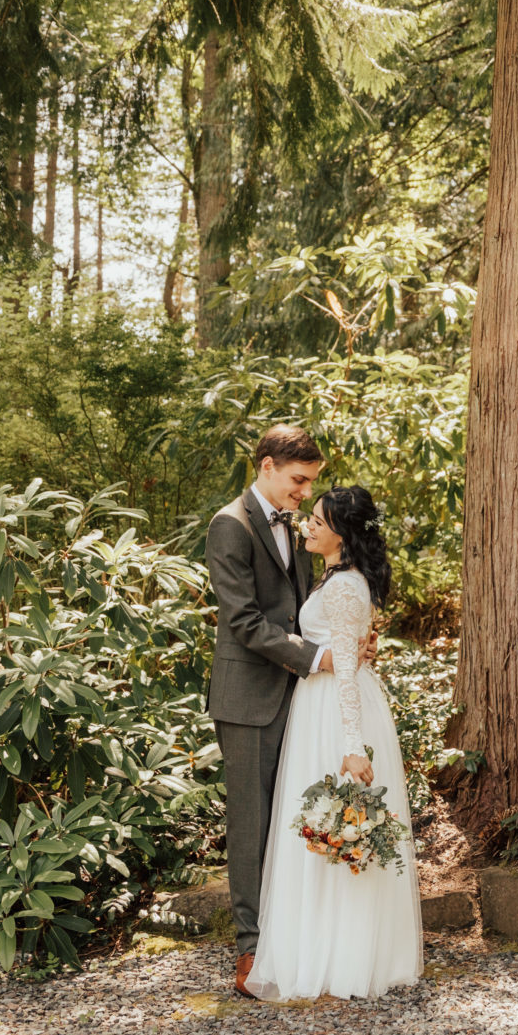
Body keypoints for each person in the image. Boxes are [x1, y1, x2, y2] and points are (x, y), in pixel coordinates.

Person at [203, 424, 375, 999]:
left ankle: (294, 938)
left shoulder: (297, 532)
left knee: (291, 820)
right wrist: (319, 655)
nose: (305, 493)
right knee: (251, 825)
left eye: (312, 484)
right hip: (250, 697)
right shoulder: (230, 525)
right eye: (300, 480)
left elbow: (312, 606)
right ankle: (251, 948)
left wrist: (348, 639)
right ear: (269, 465)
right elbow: (244, 621)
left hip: (302, 699)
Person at [245, 484, 422, 1001]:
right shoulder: (338, 578)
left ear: (342, 534)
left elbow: (345, 670)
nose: (309, 527)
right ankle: (320, 947)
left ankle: (338, 957)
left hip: (335, 711)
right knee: (325, 830)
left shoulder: (344, 587)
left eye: (319, 522)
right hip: (318, 704)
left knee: (336, 825)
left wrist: (352, 745)